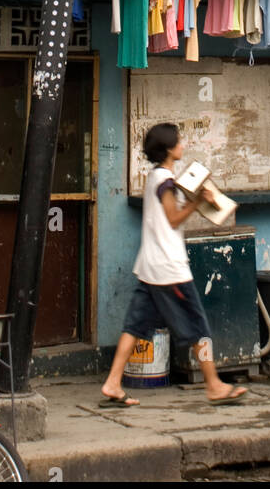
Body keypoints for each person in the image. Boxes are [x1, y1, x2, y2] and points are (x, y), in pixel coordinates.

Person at [101, 122, 247, 407]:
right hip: (169, 270)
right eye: (178, 141)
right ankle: (214, 385)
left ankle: (113, 382)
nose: (182, 144)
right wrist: (196, 202)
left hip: (150, 267)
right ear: (169, 149)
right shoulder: (166, 181)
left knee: (135, 325)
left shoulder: (156, 177)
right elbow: (173, 219)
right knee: (198, 326)